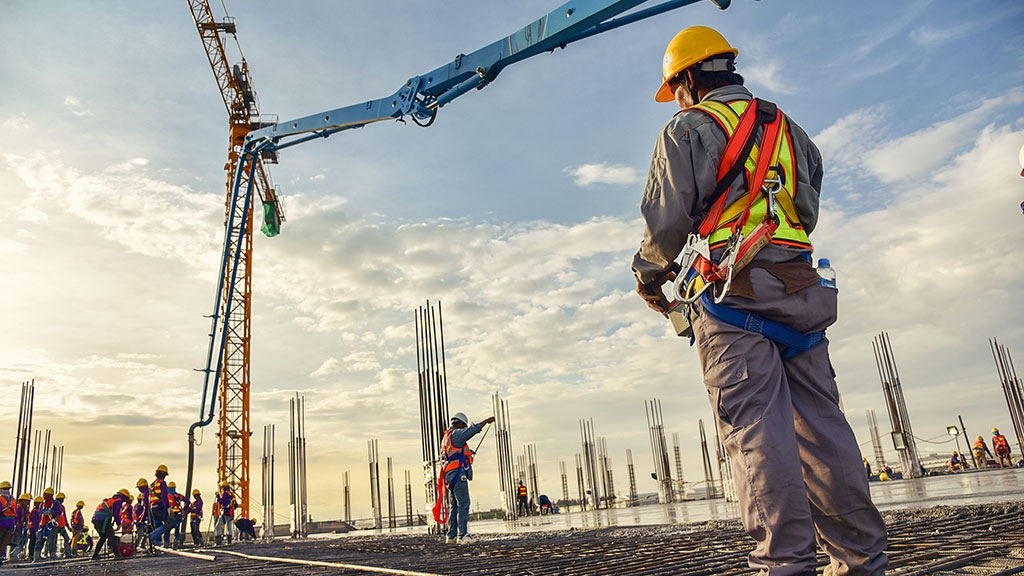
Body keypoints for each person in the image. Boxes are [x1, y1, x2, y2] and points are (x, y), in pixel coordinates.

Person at [632, 26, 887, 575]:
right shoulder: (790, 129)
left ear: (688, 78)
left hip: (733, 299)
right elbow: (806, 210)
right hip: (802, 293)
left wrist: (649, 276)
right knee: (825, 433)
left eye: (675, 89)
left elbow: (667, 220)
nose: (675, 99)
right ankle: (862, 561)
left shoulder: (687, 128)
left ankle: (784, 566)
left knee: (758, 439)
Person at [440, 412, 494, 544]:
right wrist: (486, 421)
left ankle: (451, 536)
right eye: (463, 426)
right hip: (457, 474)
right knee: (464, 503)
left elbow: (453, 453)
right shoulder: (456, 434)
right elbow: (471, 431)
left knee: (455, 505)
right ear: (459, 424)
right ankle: (463, 535)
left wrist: (467, 453)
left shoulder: (447, 437)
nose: (464, 429)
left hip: (449, 475)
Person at [91, 489, 131, 560]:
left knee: (103, 537)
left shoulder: (111, 500)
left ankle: (95, 556)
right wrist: (119, 523)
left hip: (96, 519)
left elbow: (111, 512)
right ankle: (117, 555)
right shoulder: (118, 500)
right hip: (102, 519)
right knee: (111, 535)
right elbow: (116, 513)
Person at [149, 465, 171, 548]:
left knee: (158, 526)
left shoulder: (152, 484)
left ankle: (158, 548)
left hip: (153, 508)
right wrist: (168, 508)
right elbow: (164, 497)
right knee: (171, 523)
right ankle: (152, 535)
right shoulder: (162, 483)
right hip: (161, 507)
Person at [47, 492, 71, 558]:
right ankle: (52, 554)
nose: (63, 500)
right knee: (53, 540)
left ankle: (68, 553)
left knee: (67, 538)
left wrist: (67, 526)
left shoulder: (62, 507)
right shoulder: (53, 505)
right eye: (62, 499)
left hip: (61, 525)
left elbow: (64, 517)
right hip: (55, 525)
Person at [0, 482, 17, 567]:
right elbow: (15, 513)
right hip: (11, 524)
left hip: (2, 523)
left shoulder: (1, 499)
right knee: (4, 543)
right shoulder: (13, 500)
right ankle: (1, 558)